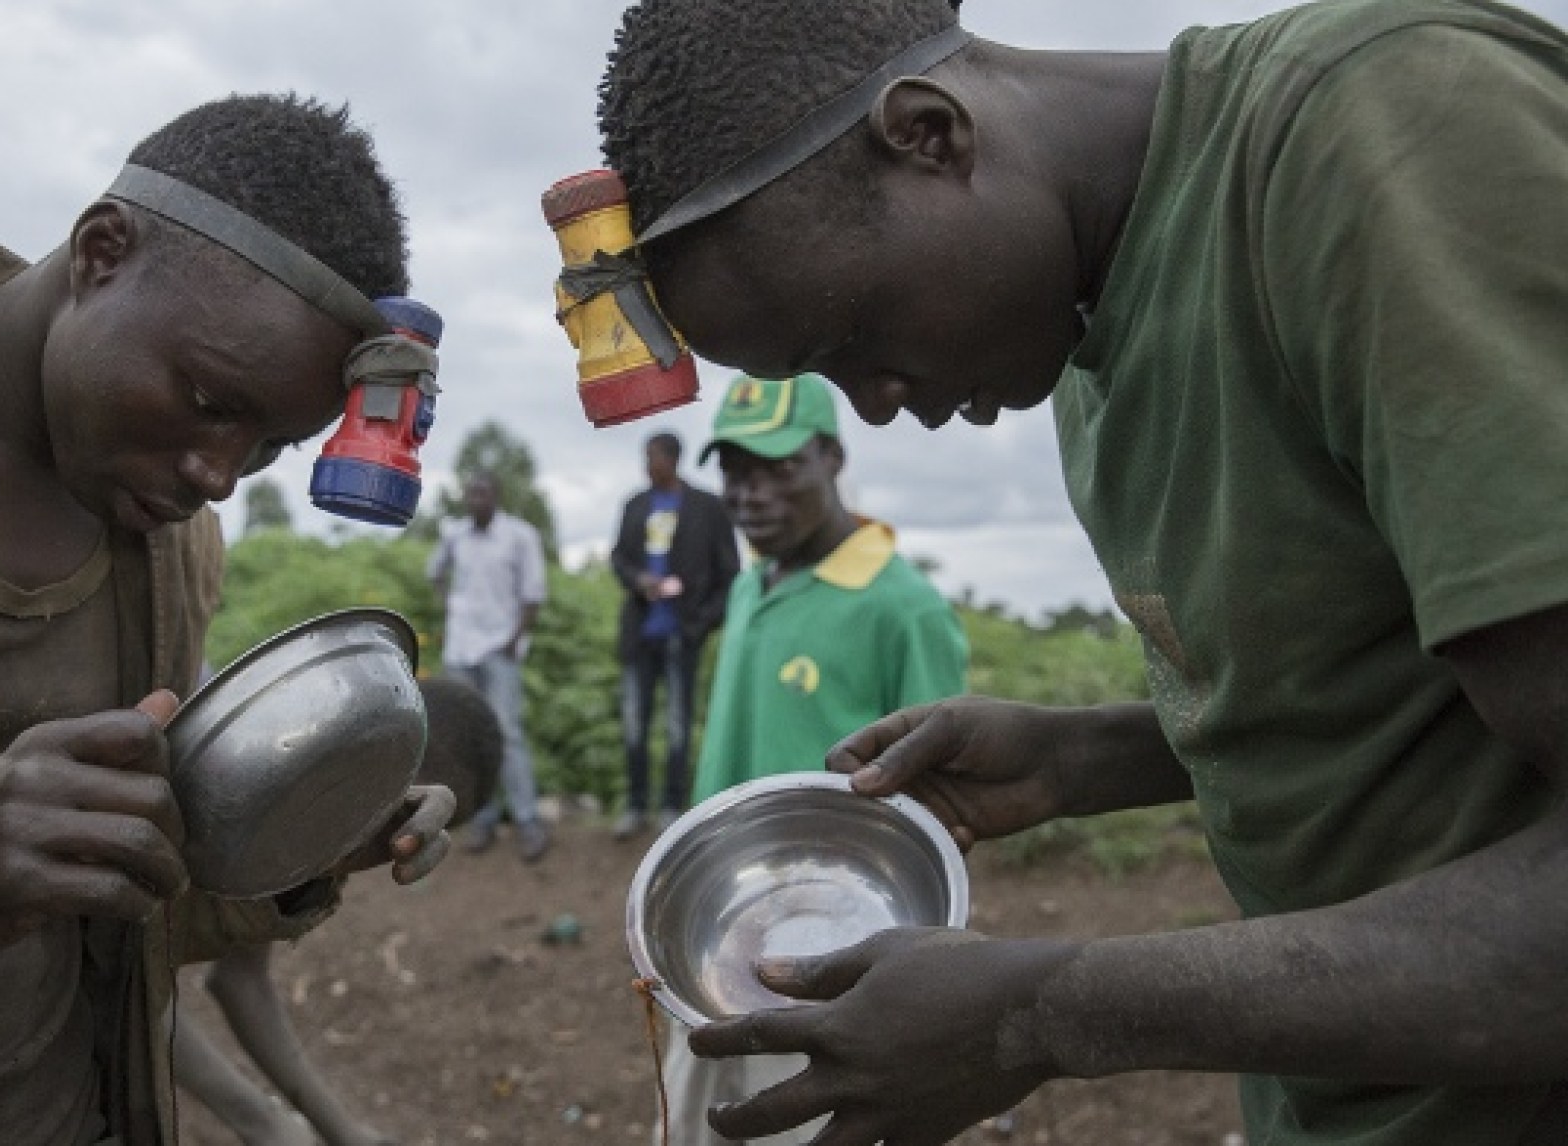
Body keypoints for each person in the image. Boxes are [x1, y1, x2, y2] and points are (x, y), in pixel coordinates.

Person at [592, 0, 1568, 1142]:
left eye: (854, 336)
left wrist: (1045, 1014)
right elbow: (1406, 704)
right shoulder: (1083, 347)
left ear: (929, 133)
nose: (875, 408)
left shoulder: (1377, 136)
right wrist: (1078, 758)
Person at [0, 94, 458, 1144]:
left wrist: (294, 844)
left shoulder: (176, 542)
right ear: (103, 252)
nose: (218, 477)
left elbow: (108, 916)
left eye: (271, 447)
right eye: (208, 400)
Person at [658, 372, 969, 1146]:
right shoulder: (750, 585)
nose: (750, 494)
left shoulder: (900, 608)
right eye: (735, 471)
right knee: (694, 1114)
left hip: (828, 957)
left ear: (831, 456)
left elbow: (940, 815)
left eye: (777, 468)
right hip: (718, 930)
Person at [175, 676, 504, 1146]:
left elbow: (238, 978)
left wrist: (342, 1131)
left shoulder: (329, 826)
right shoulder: (237, 763)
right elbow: (124, 974)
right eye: (413, 811)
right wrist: (263, 1123)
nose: (405, 844)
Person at [609, 430, 740, 839]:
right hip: (640, 634)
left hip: (683, 635)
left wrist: (702, 623)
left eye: (652, 456)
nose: (647, 465)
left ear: (673, 459)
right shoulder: (635, 505)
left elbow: (729, 574)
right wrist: (639, 580)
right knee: (635, 723)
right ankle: (635, 806)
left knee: (679, 726)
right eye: (644, 456)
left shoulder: (707, 507)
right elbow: (618, 558)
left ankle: (671, 806)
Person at [428, 471, 552, 862]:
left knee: (507, 733)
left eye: (483, 493)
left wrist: (516, 638)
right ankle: (482, 819)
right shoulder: (455, 536)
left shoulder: (519, 536)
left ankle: (528, 820)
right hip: (461, 647)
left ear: (496, 496)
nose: (475, 500)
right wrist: (451, 605)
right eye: (471, 494)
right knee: (469, 736)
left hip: (500, 646)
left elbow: (533, 593)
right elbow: (435, 572)